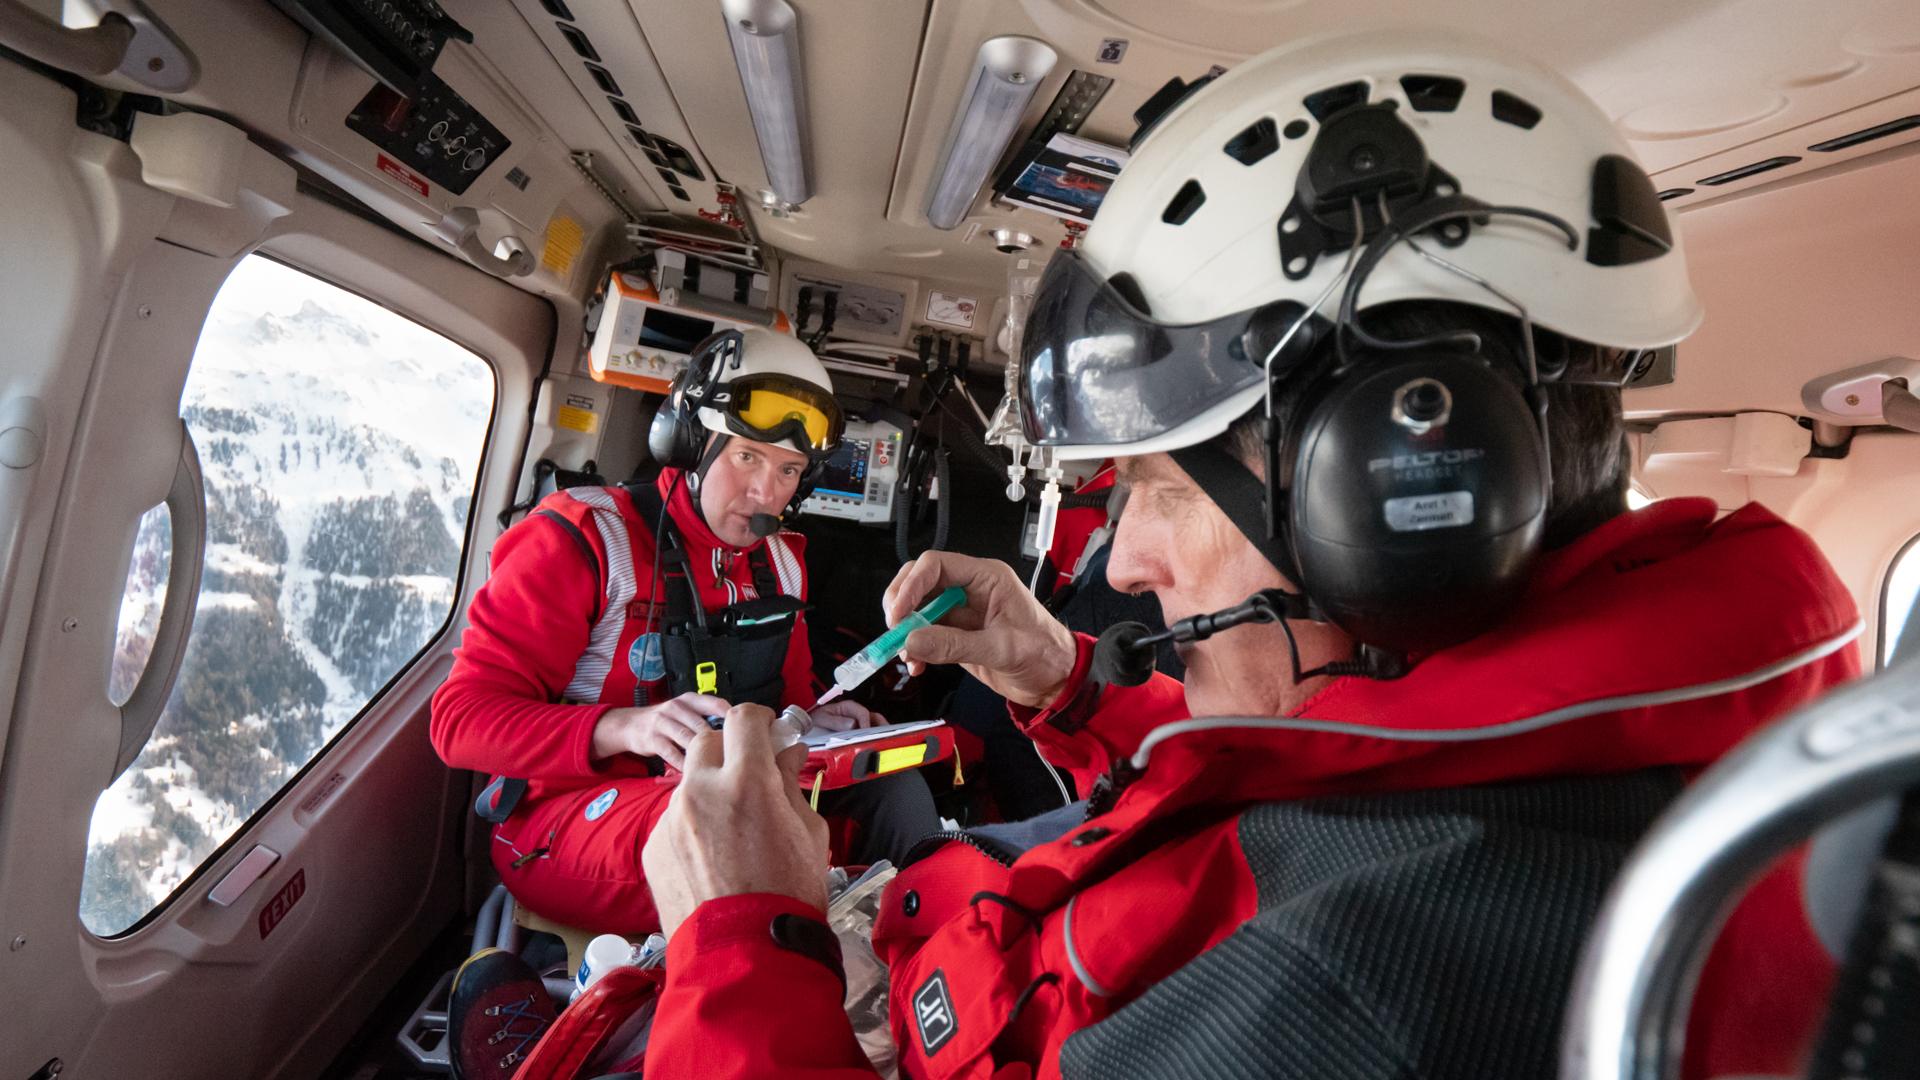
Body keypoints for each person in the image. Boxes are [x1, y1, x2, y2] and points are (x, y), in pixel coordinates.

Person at [634, 32, 1865, 1080]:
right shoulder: (1542, 769)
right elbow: (1292, 796)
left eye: (1163, 490)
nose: (1123, 564)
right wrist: (1067, 677)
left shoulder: (1362, 989)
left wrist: (744, 951)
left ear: (1393, 492)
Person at [430, 327, 940, 938]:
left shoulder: (781, 563)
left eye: (788, 470)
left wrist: (816, 721)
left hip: (739, 796)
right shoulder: (586, 539)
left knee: (899, 791)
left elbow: (788, 702)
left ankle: (914, 976)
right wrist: (625, 727)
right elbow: (458, 721)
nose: (764, 491)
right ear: (691, 444)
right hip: (567, 815)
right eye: (747, 456)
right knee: (727, 830)